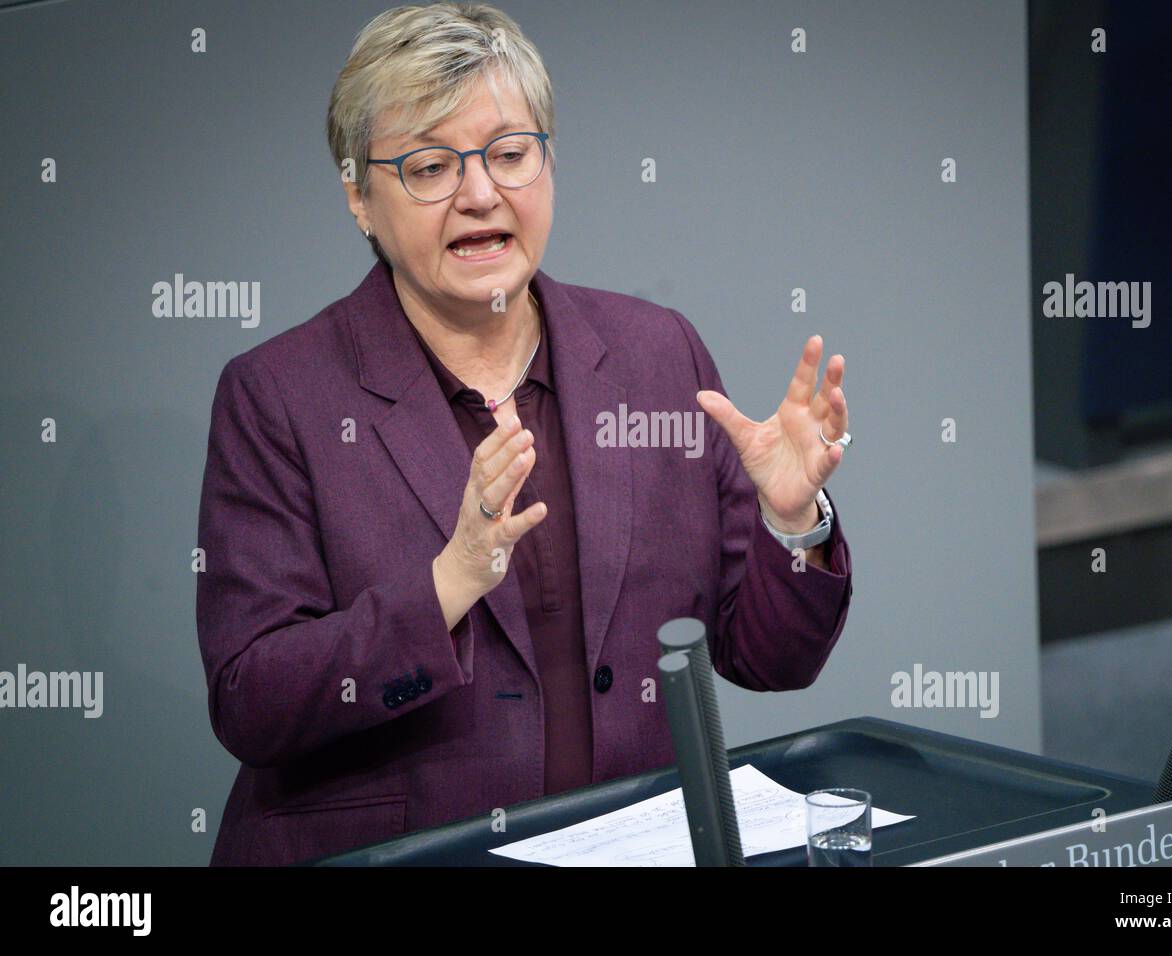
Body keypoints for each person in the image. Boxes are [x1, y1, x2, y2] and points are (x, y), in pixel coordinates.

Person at [196, 1, 854, 867]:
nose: (479, 195)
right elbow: (251, 700)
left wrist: (792, 524)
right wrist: (447, 585)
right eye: (430, 167)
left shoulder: (657, 355)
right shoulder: (279, 396)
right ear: (359, 194)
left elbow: (769, 658)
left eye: (510, 154)